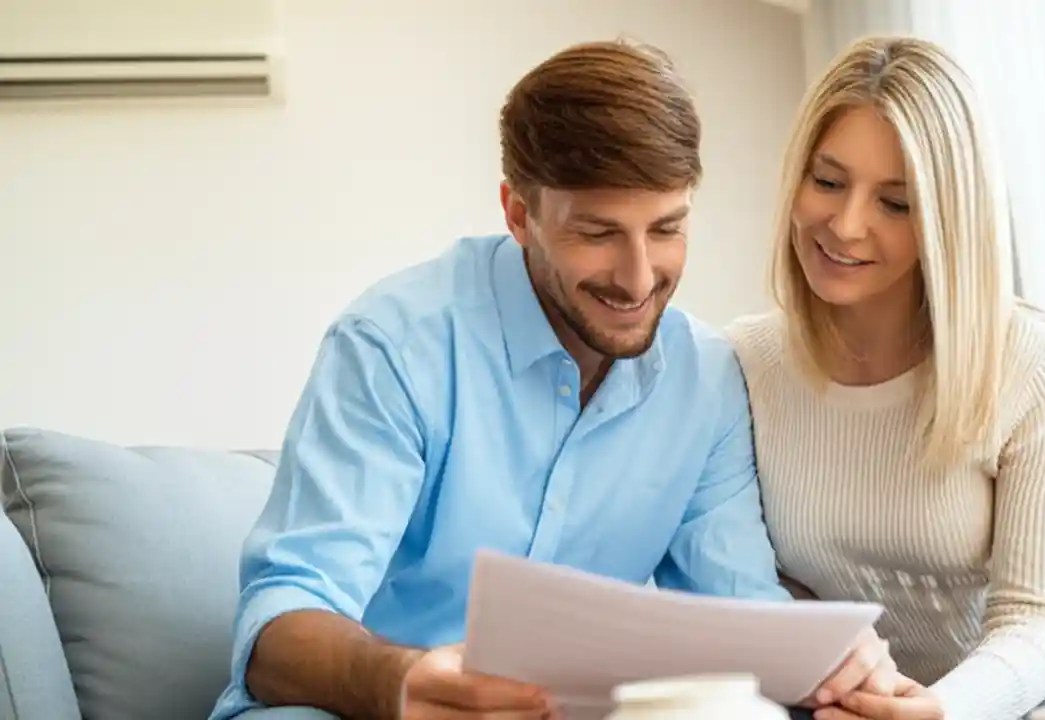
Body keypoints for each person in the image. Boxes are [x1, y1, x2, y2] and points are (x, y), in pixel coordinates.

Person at [208, 39, 894, 720]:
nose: (638, 278)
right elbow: (279, 630)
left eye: (666, 229)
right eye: (597, 233)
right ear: (519, 214)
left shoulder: (704, 379)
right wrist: (401, 683)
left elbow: (742, 611)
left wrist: (838, 668)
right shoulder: (395, 346)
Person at [727, 36, 1045, 720]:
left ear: (948, 222)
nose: (845, 224)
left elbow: (1039, 619)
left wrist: (938, 710)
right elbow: (752, 584)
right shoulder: (743, 363)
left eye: (895, 203)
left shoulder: (1034, 365)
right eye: (828, 182)